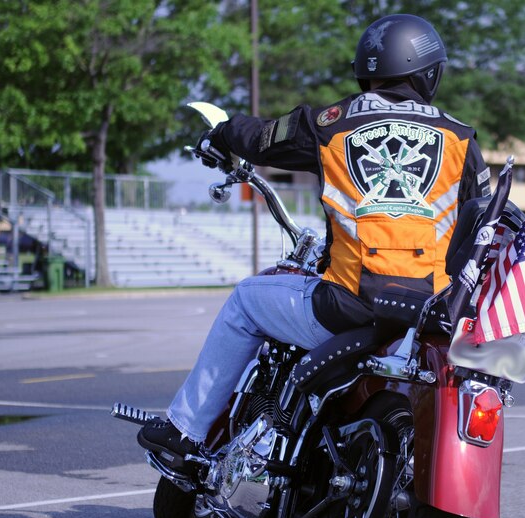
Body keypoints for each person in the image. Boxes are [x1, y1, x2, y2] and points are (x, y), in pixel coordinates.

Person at [138, 14, 496, 466]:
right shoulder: (461, 138)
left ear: (366, 70)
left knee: (246, 300)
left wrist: (223, 132)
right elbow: (483, 216)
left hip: (348, 304)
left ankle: (185, 430)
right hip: (428, 308)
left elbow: (261, 140)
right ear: (428, 73)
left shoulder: (332, 124)